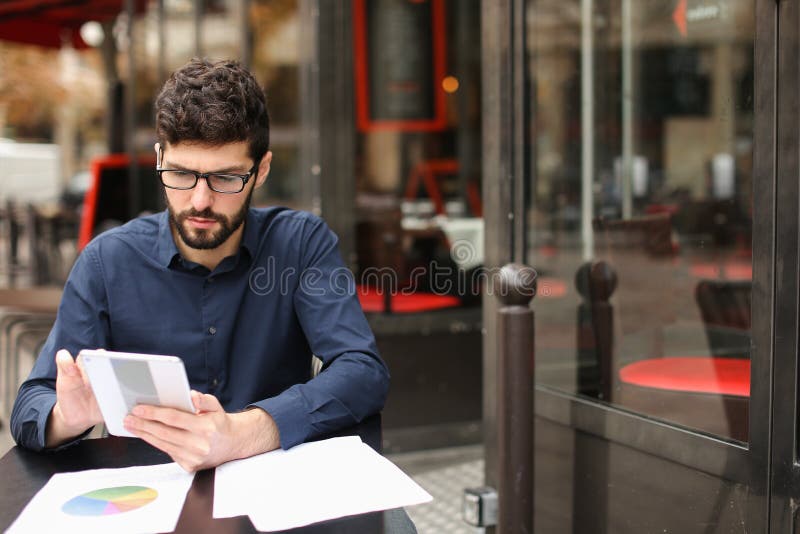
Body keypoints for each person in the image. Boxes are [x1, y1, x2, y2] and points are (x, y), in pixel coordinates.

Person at [10, 58, 389, 472]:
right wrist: (67, 417)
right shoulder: (107, 262)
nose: (200, 201)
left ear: (261, 170)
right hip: (149, 492)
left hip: (271, 486)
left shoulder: (300, 244)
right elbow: (31, 406)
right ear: (160, 158)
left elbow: (362, 372)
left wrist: (244, 432)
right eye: (181, 173)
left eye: (225, 178)